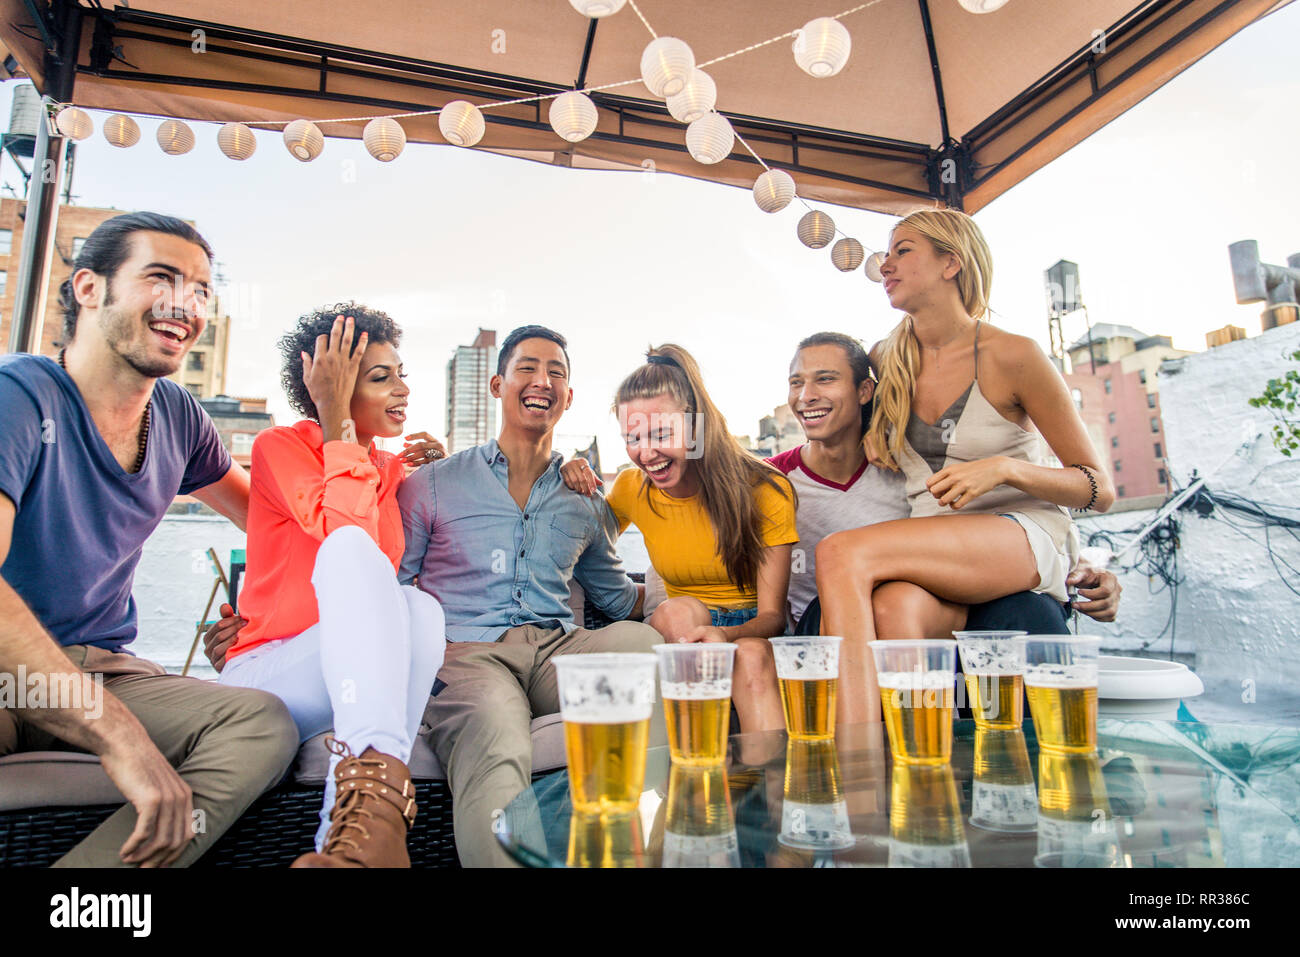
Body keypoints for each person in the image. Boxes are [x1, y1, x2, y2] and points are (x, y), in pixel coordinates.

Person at [0, 212, 299, 867]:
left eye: (198, 290)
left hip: (104, 666)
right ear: (88, 288)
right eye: (160, 278)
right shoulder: (19, 394)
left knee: (262, 723)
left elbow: (278, 532)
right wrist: (116, 734)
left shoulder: (179, 417)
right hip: (8, 669)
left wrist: (260, 623)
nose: (182, 305)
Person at [817, 209, 1116, 724]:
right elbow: (832, 436)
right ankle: (920, 766)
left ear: (951, 263)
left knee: (841, 554)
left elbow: (1097, 488)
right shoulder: (886, 359)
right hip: (935, 543)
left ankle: (854, 755)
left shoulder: (1014, 354)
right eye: (887, 254)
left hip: (1019, 534)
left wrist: (1005, 469)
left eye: (902, 251)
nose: (885, 265)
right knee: (895, 611)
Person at [397, 325, 663, 867]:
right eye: (527, 367)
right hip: (466, 655)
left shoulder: (583, 496)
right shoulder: (431, 484)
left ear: (568, 396)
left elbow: (615, 600)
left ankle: (642, 845)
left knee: (644, 646)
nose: (542, 380)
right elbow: (394, 588)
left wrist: (687, 598)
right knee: (496, 736)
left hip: (554, 653)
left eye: (556, 373)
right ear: (498, 385)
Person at [214, 305, 447, 868]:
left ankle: (353, 843)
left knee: (421, 607)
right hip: (270, 675)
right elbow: (344, 536)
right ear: (331, 388)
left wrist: (442, 473)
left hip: (349, 677)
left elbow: (390, 569)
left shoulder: (391, 473)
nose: (402, 389)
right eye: (380, 377)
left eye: (401, 372)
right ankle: (381, 814)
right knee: (355, 554)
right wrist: (334, 416)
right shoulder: (280, 448)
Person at [777, 332, 1120, 640]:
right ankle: (876, 709)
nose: (807, 396)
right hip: (833, 625)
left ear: (865, 391)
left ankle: (1001, 707)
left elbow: (986, 533)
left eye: (825, 380)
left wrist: (1082, 566)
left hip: (939, 607)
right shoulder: (771, 481)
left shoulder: (907, 465)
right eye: (796, 383)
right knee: (885, 601)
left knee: (1030, 615)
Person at [561, 345, 798, 733]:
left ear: (694, 426)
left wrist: (724, 636)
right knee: (675, 612)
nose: (646, 453)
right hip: (682, 632)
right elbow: (579, 541)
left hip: (753, 633)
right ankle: (696, 771)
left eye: (660, 433)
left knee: (751, 656)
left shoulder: (765, 489)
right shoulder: (630, 488)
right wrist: (567, 474)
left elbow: (771, 618)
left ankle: (769, 787)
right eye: (632, 437)